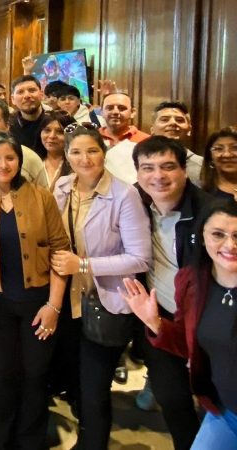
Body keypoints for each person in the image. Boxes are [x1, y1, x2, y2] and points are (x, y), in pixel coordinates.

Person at [0, 130, 68, 449]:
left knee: (35, 375)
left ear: (20, 160)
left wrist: (54, 307)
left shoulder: (40, 196)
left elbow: (60, 250)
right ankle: (1, 442)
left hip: (38, 301)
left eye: (10, 157)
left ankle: (30, 441)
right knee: (1, 375)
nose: (3, 164)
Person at [52, 125, 151, 450]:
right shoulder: (63, 187)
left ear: (103, 152)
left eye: (92, 150)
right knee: (77, 381)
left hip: (104, 302)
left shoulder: (125, 194)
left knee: (94, 389)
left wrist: (83, 265)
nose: (84, 158)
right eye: (76, 152)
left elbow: (140, 258)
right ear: (67, 155)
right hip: (68, 300)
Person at [120, 199, 237, 449]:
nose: (230, 245)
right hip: (223, 413)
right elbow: (189, 345)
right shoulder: (192, 282)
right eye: (218, 234)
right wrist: (156, 323)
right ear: (202, 236)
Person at [133, 135, 208, 449]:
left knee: (213, 403)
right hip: (158, 319)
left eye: (167, 167)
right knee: (172, 399)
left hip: (206, 324)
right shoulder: (135, 205)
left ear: (184, 171)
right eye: (147, 168)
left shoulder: (212, 214)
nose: (158, 176)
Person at [105, 101, 203, 185]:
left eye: (179, 120)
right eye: (164, 119)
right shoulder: (132, 158)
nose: (173, 123)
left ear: (189, 129)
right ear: (152, 129)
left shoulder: (202, 166)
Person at [9, 75, 48, 159]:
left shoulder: (58, 120)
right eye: (20, 92)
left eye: (32, 90)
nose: (27, 96)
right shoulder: (7, 124)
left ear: (41, 94)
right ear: (13, 99)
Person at [40, 110, 75, 191]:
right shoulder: (33, 162)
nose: (52, 136)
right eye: (47, 130)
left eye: (60, 132)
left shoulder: (76, 166)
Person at [200, 127, 237, 201]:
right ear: (210, 157)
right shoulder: (198, 194)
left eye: (235, 148)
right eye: (219, 149)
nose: (227, 154)